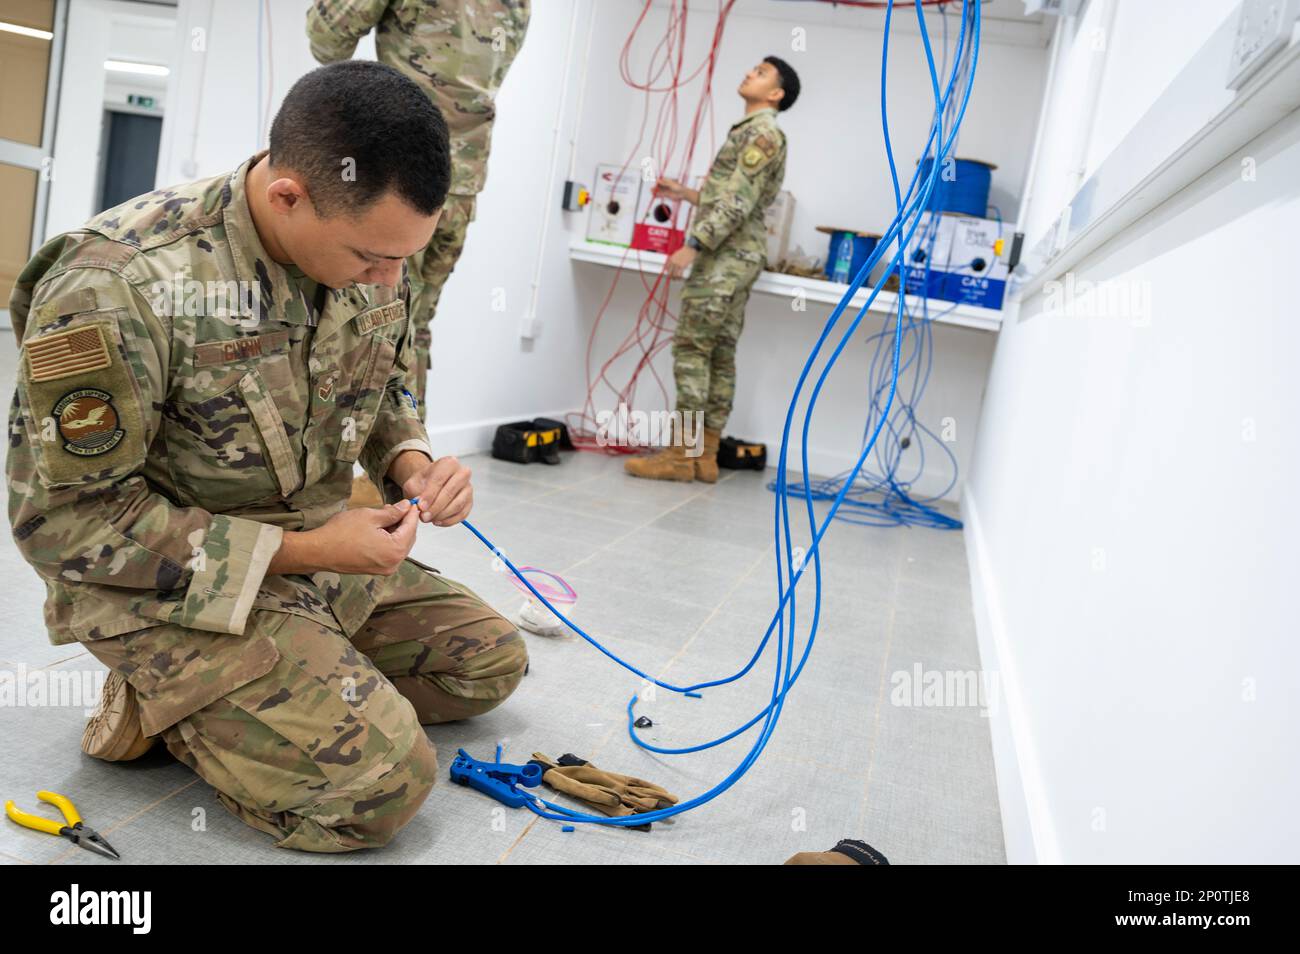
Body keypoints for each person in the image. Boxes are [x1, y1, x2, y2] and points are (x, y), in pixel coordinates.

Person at [5, 61, 527, 853]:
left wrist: (410, 462)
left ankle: (263, 688)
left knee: (489, 665)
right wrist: (310, 550)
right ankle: (173, 698)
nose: (389, 278)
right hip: (157, 587)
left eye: (401, 259)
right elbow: (64, 525)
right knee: (380, 791)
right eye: (370, 258)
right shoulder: (118, 284)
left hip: (311, 561)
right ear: (288, 195)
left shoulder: (372, 243)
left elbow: (389, 382)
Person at [307, 0, 531, 421]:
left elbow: (326, 40)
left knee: (364, 327)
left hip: (395, 184)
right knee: (413, 326)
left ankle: (369, 473)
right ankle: (409, 469)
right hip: (460, 184)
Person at [625, 56, 798, 483]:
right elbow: (734, 194)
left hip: (723, 258)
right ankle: (705, 456)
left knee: (691, 350)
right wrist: (685, 193)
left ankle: (680, 457)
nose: (748, 73)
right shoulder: (758, 132)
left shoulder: (762, 132)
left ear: (775, 94)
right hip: (739, 257)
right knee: (718, 353)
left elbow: (737, 203)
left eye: (759, 73)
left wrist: (694, 245)